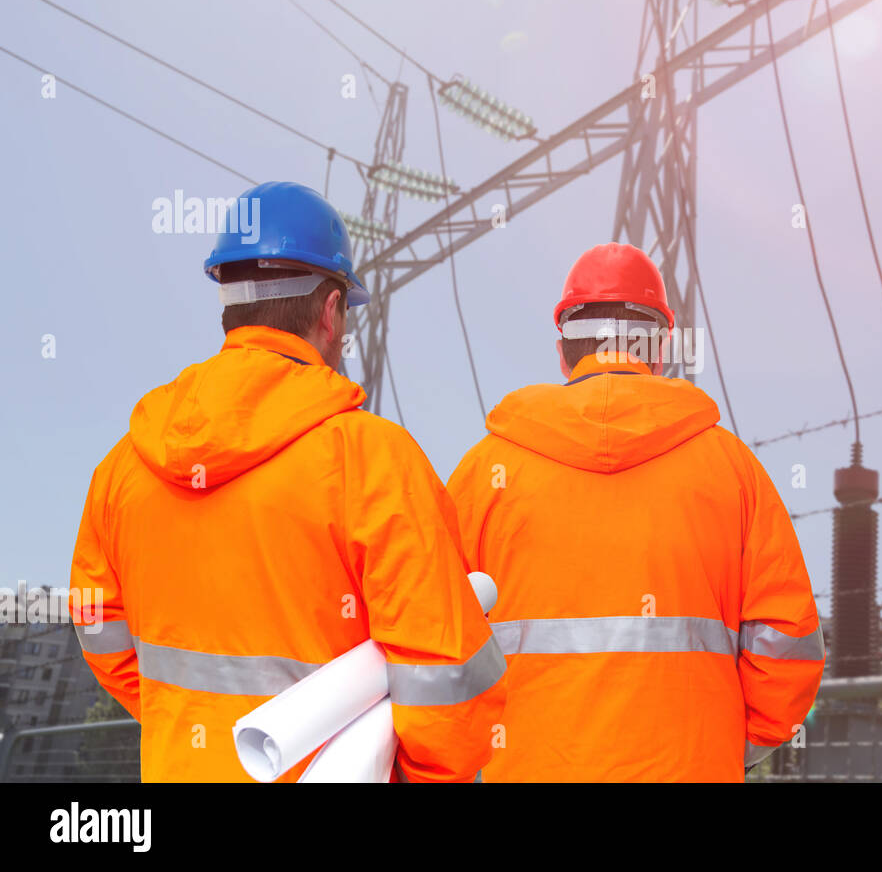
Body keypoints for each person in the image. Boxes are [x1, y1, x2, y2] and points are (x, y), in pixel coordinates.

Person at [70, 181, 505, 782]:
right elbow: (446, 681)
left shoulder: (123, 468)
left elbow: (98, 627)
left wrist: (193, 731)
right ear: (330, 310)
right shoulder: (372, 461)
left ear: (228, 303)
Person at [447, 242, 823, 781]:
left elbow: (437, 646)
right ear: (660, 348)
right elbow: (788, 646)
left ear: (563, 351)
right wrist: (724, 745)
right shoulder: (732, 470)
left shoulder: (485, 474)